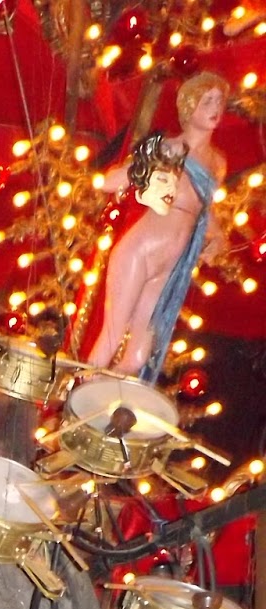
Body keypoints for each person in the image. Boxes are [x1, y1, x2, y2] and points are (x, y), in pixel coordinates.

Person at [88, 73, 228, 382]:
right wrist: (134, 174)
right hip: (142, 248)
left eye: (219, 101)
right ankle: (78, 397)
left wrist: (217, 238)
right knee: (111, 335)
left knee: (138, 354)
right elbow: (115, 179)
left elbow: (207, 210)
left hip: (171, 262)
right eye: (207, 101)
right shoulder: (167, 148)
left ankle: (99, 403)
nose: (215, 108)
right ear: (190, 107)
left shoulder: (217, 163)